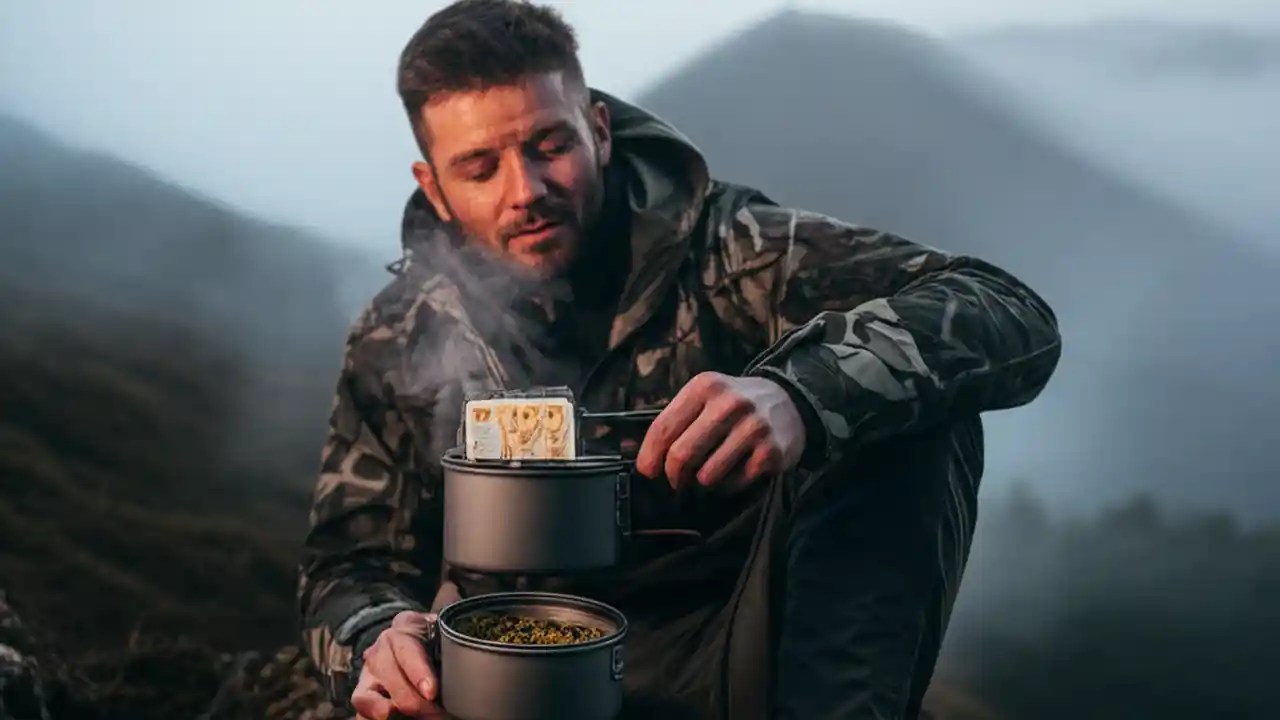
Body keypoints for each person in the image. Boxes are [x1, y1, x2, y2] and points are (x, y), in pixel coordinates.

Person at [297, 1, 1062, 718]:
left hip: (741, 646)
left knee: (908, 406)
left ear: (598, 131)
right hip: (521, 674)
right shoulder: (397, 336)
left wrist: (799, 392)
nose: (524, 190)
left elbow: (1008, 308)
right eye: (479, 168)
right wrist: (375, 638)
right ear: (433, 189)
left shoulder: (734, 250)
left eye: (549, 145)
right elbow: (347, 565)